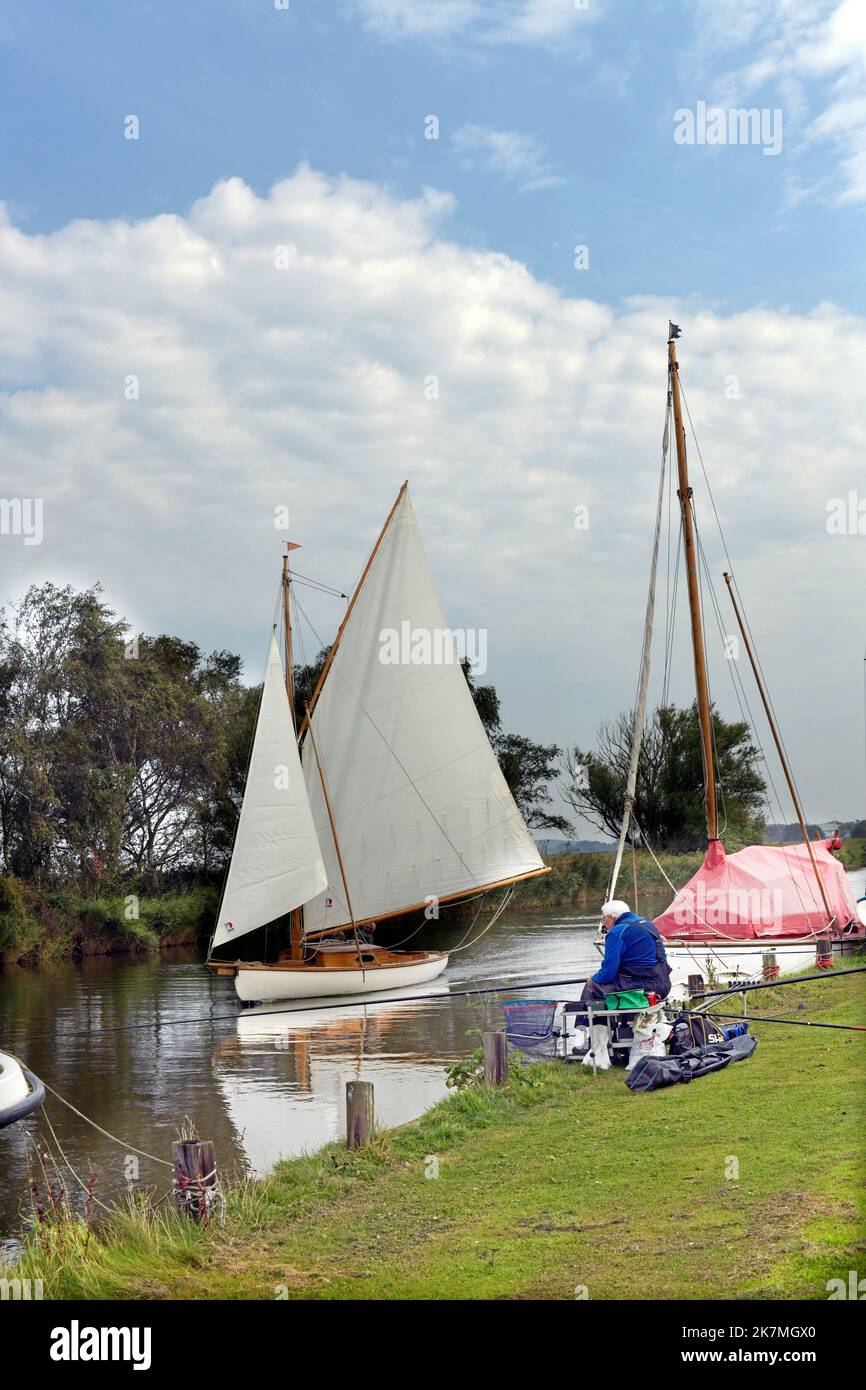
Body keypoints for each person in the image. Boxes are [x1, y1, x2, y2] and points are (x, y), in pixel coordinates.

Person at [579, 898, 672, 1011]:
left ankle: (582, 1027)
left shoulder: (617, 932)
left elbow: (609, 972)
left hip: (643, 985)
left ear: (609, 918)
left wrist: (594, 978)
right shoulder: (648, 925)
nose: (604, 924)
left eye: (603, 920)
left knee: (593, 987)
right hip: (664, 983)